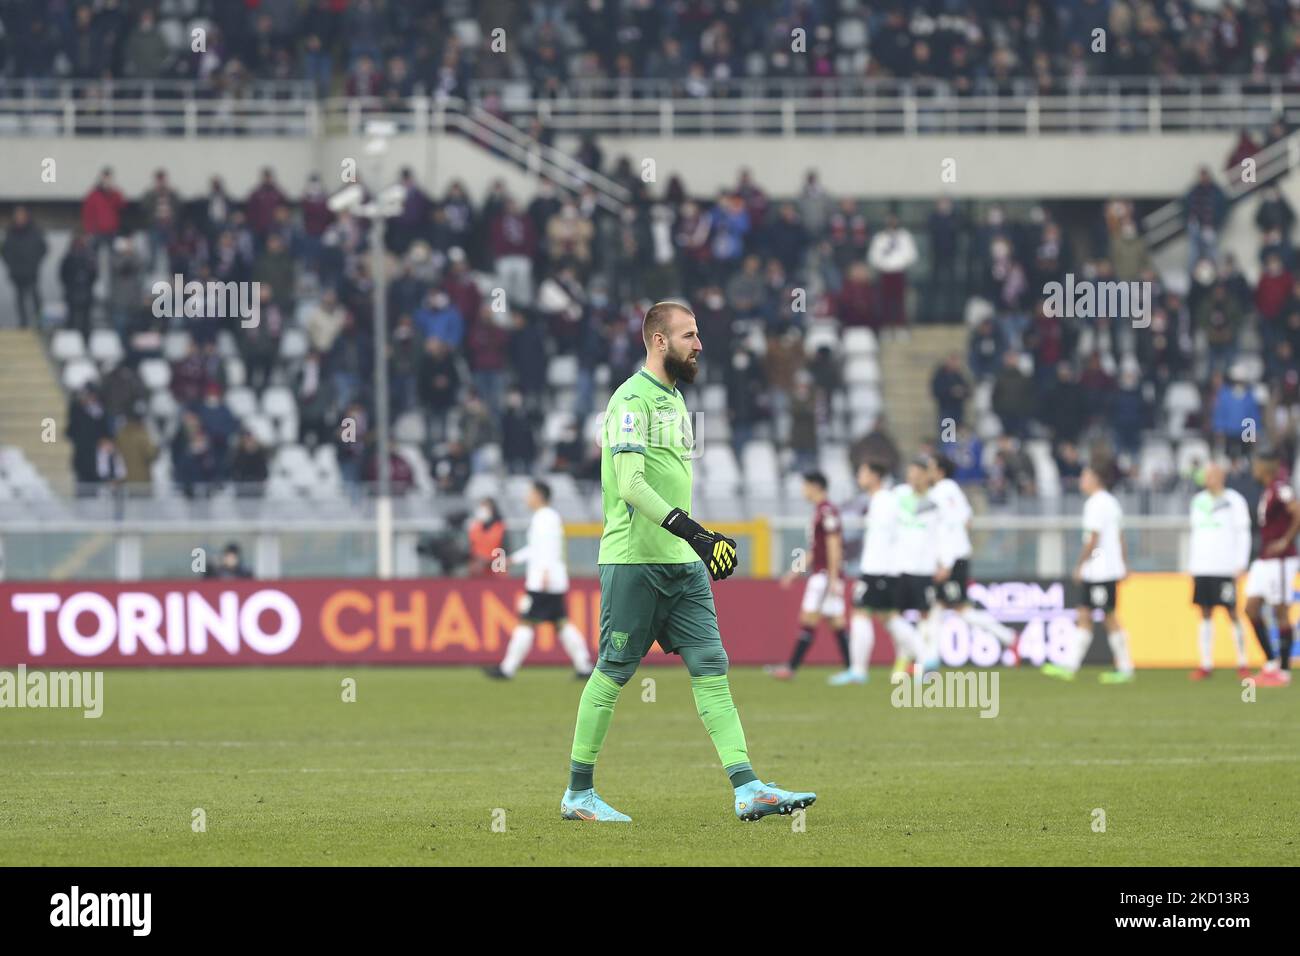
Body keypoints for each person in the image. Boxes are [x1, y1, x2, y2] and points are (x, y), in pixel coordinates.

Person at [560, 301, 815, 823]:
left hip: (682, 565)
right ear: (659, 340)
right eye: (689, 335)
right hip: (634, 562)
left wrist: (694, 543)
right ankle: (578, 793)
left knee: (711, 668)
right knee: (613, 672)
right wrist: (697, 533)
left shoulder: (674, 400)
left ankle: (747, 788)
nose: (700, 344)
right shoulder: (631, 400)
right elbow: (630, 486)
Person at [485, 481, 593, 680]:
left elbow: (548, 549)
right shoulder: (546, 517)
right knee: (561, 623)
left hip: (544, 581)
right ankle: (584, 665)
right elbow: (537, 548)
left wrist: (544, 573)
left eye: (529, 493)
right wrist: (513, 560)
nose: (527, 497)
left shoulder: (545, 518)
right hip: (552, 580)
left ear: (539, 495)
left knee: (526, 622)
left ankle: (507, 669)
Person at [1042, 462, 1134, 683]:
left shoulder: (1095, 504)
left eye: (1085, 476)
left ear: (1096, 479)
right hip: (1105, 568)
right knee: (1085, 614)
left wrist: (1080, 565)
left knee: (1109, 616)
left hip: (1100, 570)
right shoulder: (1112, 503)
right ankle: (1071, 666)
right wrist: (1123, 563)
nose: (1081, 481)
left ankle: (1126, 668)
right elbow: (1120, 536)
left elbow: (1092, 539)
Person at [926, 455, 1019, 659]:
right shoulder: (955, 491)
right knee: (937, 609)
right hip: (958, 555)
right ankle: (928, 659)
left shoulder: (940, 492)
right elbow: (967, 521)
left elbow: (950, 527)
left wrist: (946, 562)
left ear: (940, 471)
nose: (927, 471)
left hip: (950, 559)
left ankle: (1008, 637)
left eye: (930, 467)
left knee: (961, 610)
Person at [766, 472, 849, 681]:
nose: (803, 491)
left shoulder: (827, 511)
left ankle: (790, 668)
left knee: (808, 619)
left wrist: (832, 578)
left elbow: (833, 545)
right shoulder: (821, 512)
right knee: (836, 622)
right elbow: (815, 549)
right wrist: (795, 571)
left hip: (824, 576)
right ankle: (852, 669)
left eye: (805, 486)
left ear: (815, 486)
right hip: (825, 574)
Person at [1187, 461, 1253, 680]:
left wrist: (1241, 563)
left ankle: (1242, 662)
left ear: (1221, 476)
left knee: (1232, 612)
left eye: (1212, 474)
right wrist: (1192, 565)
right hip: (1202, 567)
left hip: (1225, 567)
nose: (1208, 478)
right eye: (1206, 475)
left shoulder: (1234, 501)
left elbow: (1243, 532)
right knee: (1204, 612)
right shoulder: (1198, 501)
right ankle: (1206, 663)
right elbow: (1196, 535)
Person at [1243, 450, 1300, 687]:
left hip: (1281, 559)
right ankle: (1270, 663)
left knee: (1280, 610)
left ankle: (1284, 671)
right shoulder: (1268, 490)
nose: (1254, 469)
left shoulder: (1281, 488)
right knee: (1251, 607)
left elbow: (1297, 511)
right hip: (1264, 558)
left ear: (1266, 467)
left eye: (1257, 465)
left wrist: (1286, 541)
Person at [894, 456, 941, 674]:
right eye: (909, 474)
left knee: (925, 615)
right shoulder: (898, 496)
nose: (912, 478)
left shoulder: (935, 501)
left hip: (924, 567)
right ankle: (904, 659)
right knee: (897, 617)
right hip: (900, 566)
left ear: (926, 476)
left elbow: (944, 534)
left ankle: (923, 662)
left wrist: (943, 562)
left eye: (916, 474)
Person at [466, 498, 505, 577]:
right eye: (482, 507)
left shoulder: (500, 527)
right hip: (477, 571)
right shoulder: (474, 527)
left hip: (496, 570)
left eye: (486, 507)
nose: (483, 510)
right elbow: (470, 548)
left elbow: (505, 551)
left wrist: (488, 561)